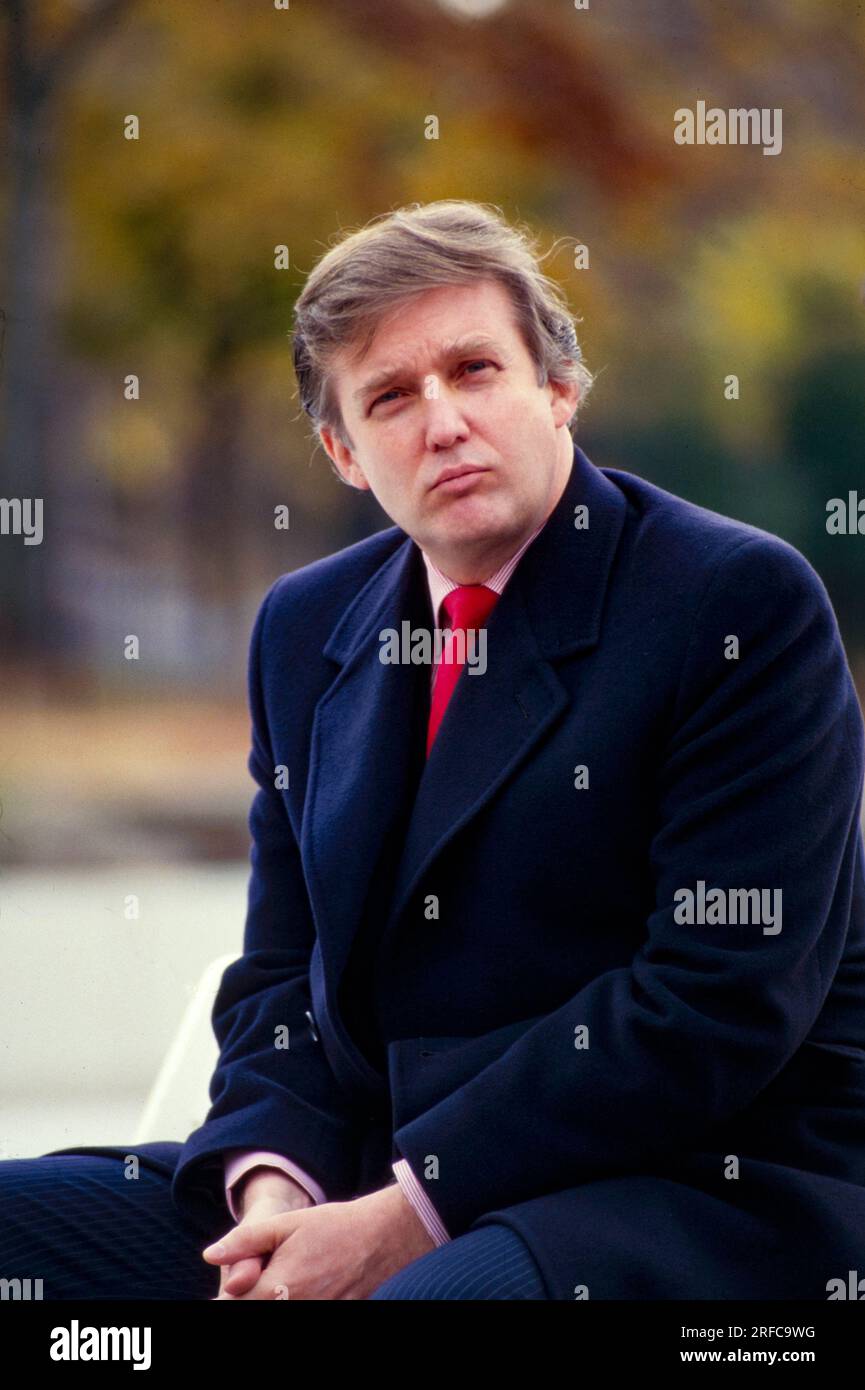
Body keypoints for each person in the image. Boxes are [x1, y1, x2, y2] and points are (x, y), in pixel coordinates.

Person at [3, 199, 865, 1301]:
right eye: (391, 397)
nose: (443, 420)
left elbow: (714, 999)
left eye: (474, 370)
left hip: (690, 1185)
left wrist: (410, 1213)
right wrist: (273, 1193)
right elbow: (281, 971)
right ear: (343, 452)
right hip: (366, 1174)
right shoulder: (305, 628)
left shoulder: (732, 603)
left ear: (557, 388)